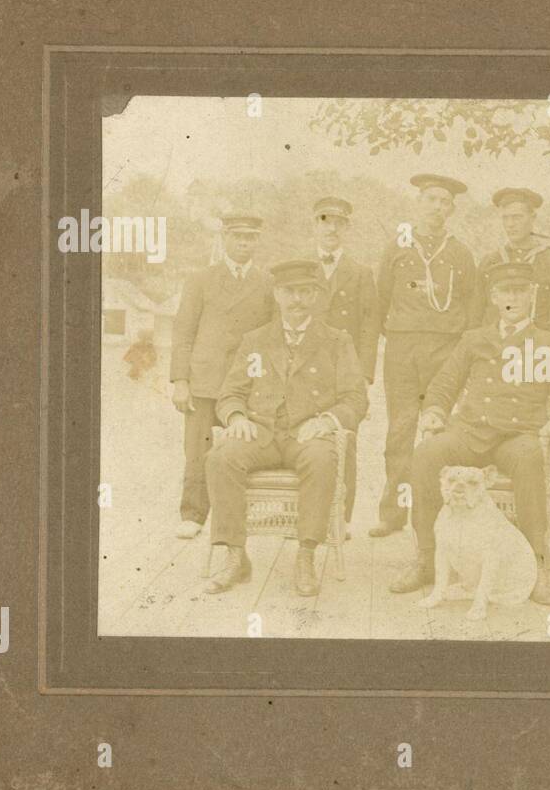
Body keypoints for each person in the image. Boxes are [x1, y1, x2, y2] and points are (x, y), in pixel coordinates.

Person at [398, 262, 550, 604]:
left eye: (520, 291)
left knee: (530, 459)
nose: (513, 297)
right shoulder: (475, 339)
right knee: (426, 454)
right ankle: (426, 557)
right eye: (505, 291)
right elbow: (444, 383)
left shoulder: (549, 343)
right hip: (470, 430)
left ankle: (537, 567)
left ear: (532, 296)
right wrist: (436, 411)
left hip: (517, 435)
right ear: (494, 297)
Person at [203, 260, 369, 597]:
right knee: (221, 458)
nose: (298, 300)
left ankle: (306, 554)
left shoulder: (337, 341)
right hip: (261, 433)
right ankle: (236, 554)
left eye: (306, 292)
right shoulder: (256, 340)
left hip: (307, 434)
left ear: (317, 296)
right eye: (290, 292)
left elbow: (355, 398)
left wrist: (326, 421)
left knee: (322, 460)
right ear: (277, 295)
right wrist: (236, 418)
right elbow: (231, 393)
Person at [370, 174, 478, 540]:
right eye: (430, 199)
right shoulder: (397, 246)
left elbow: (471, 305)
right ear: (419, 202)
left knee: (439, 431)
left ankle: (439, 512)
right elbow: (380, 299)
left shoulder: (460, 252)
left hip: (445, 349)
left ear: (452, 209)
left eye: (444, 202)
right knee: (400, 431)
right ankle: (394, 512)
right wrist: (401, 334)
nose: (437, 207)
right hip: (403, 349)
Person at [168, 215, 274, 540]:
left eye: (251, 237)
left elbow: (271, 337)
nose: (245, 243)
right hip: (205, 380)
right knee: (198, 449)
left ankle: (242, 513)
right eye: (238, 236)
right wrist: (181, 381)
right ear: (225, 238)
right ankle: (194, 514)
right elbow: (183, 332)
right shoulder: (201, 279)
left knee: (245, 447)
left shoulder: (267, 282)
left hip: (246, 384)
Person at [311, 195, 379, 524]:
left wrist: (364, 373)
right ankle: (300, 512)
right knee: (301, 433)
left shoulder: (360, 273)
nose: (331, 229)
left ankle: (341, 516)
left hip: (345, 369)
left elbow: (369, 324)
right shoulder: (302, 268)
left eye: (338, 223)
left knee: (345, 438)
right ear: (315, 225)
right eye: (325, 221)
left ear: (347, 228)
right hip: (304, 366)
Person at [473, 187, 550, 338]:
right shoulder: (489, 262)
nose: (510, 224)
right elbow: (476, 315)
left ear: (532, 217)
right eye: (505, 218)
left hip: (535, 351)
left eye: (517, 217)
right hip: (492, 350)